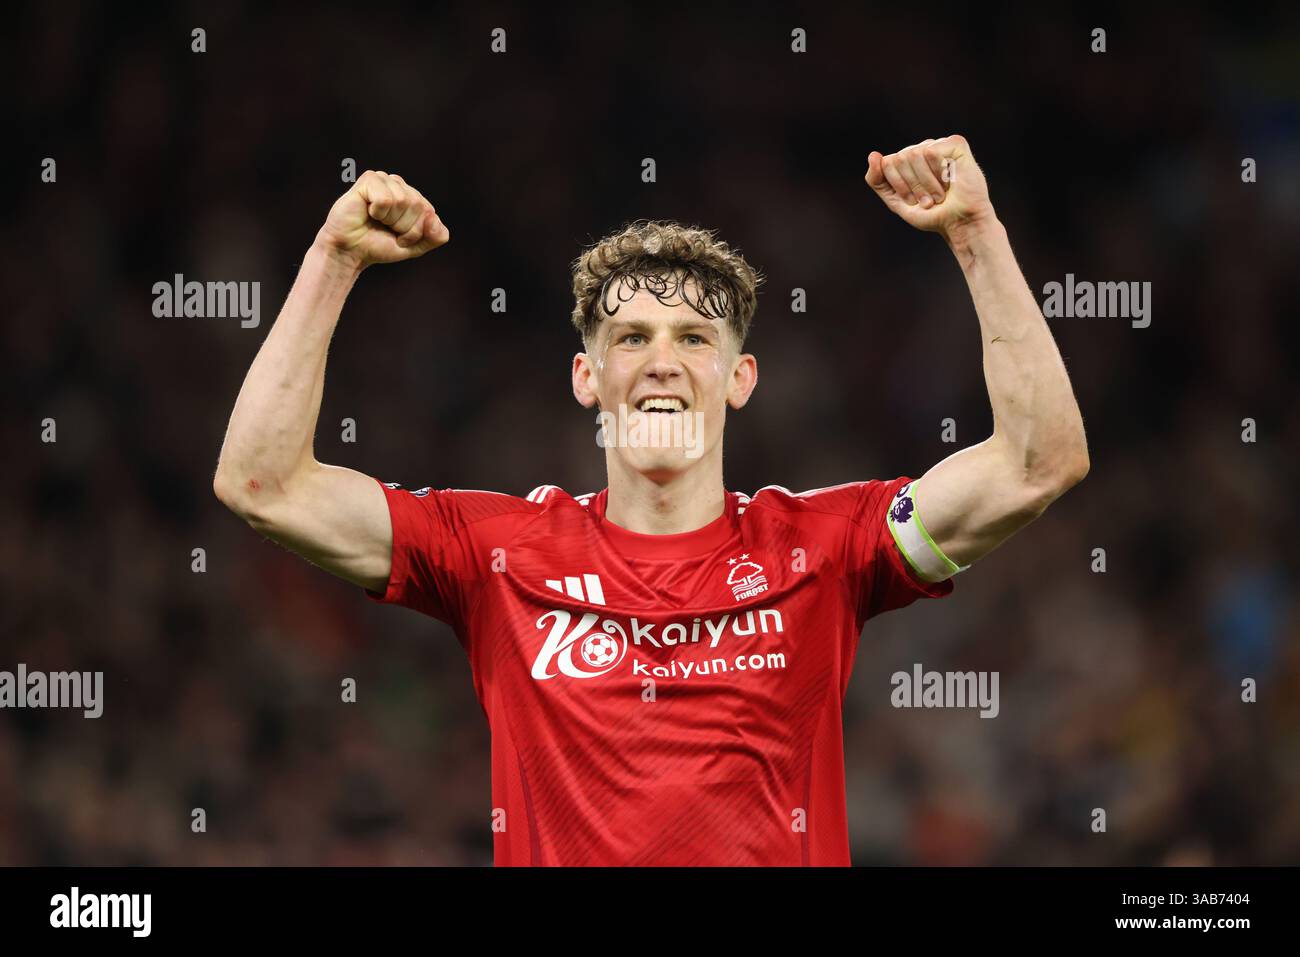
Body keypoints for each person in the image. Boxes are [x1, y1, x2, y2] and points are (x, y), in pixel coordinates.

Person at [213, 135, 1089, 865]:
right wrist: (333, 261)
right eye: (631, 337)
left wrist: (975, 233)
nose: (661, 360)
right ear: (587, 377)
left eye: (694, 338)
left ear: (739, 378)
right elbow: (262, 481)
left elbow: (1037, 462)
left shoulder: (826, 545)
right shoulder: (497, 552)